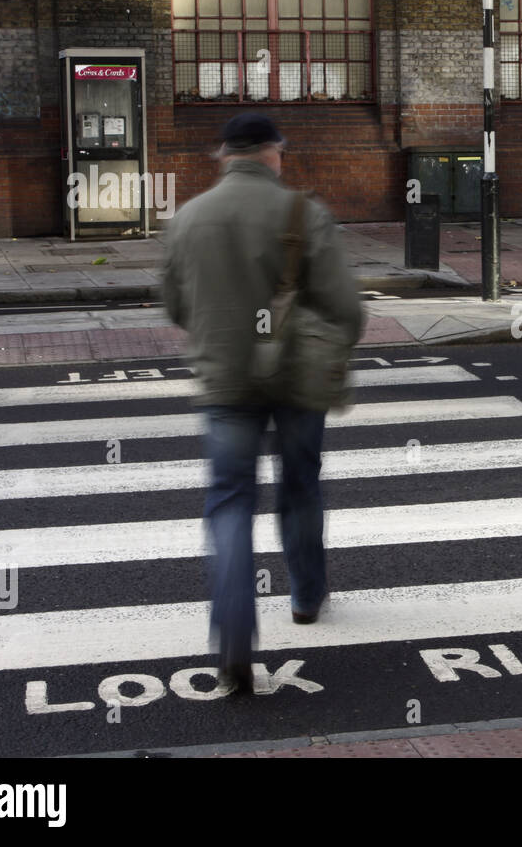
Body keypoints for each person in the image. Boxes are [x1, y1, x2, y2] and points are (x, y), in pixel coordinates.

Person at [162, 113, 364, 694]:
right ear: (274, 153)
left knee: (228, 500)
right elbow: (346, 310)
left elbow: (176, 305)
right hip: (297, 379)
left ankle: (231, 632)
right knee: (300, 483)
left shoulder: (189, 217)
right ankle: (304, 597)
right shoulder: (305, 212)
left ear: (223, 155)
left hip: (226, 382)